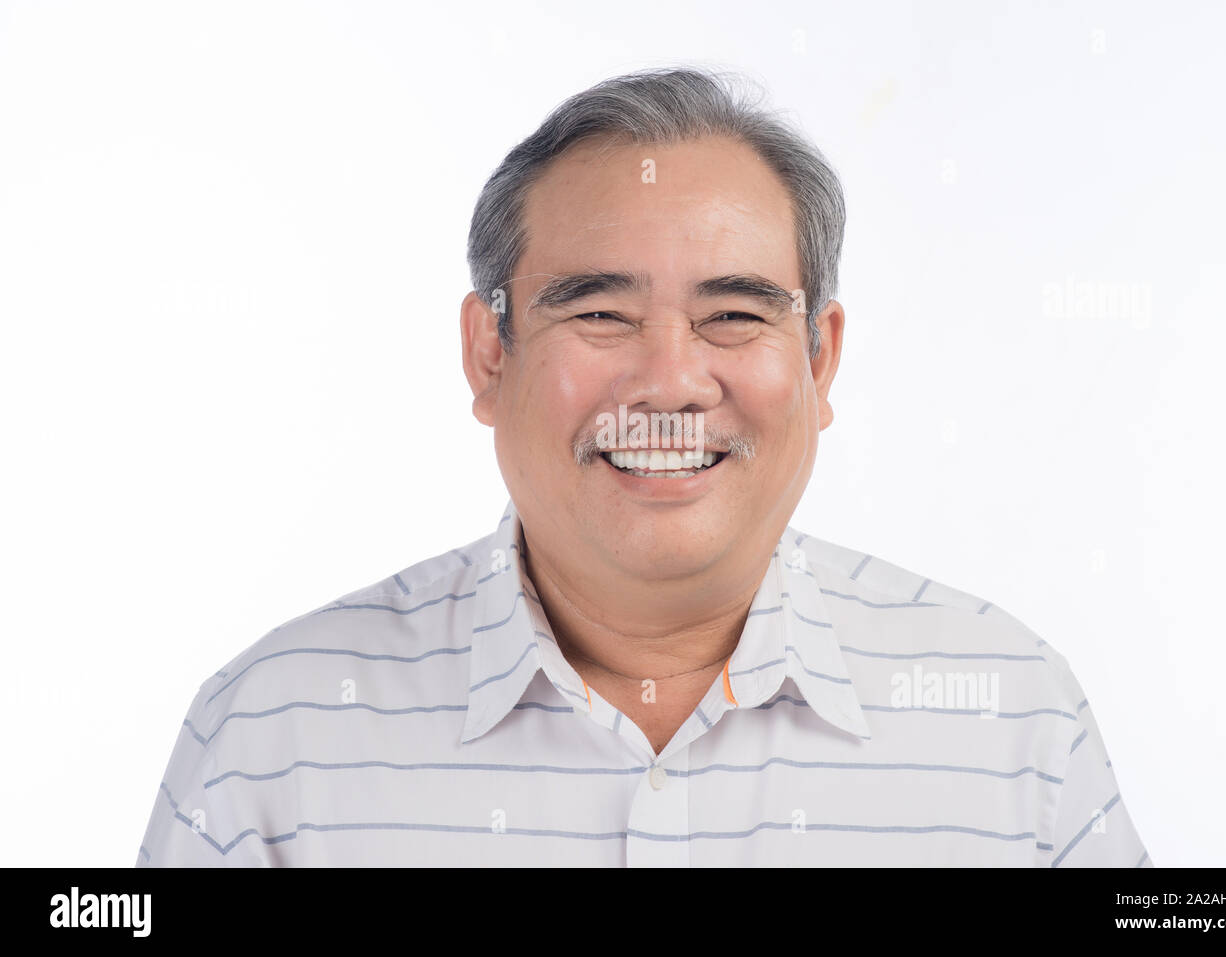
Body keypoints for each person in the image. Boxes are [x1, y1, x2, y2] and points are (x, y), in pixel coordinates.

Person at [137, 66, 1152, 867]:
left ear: (818, 363)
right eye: (599, 313)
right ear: (489, 356)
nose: (669, 381)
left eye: (734, 314)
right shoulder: (271, 738)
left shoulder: (1012, 715)